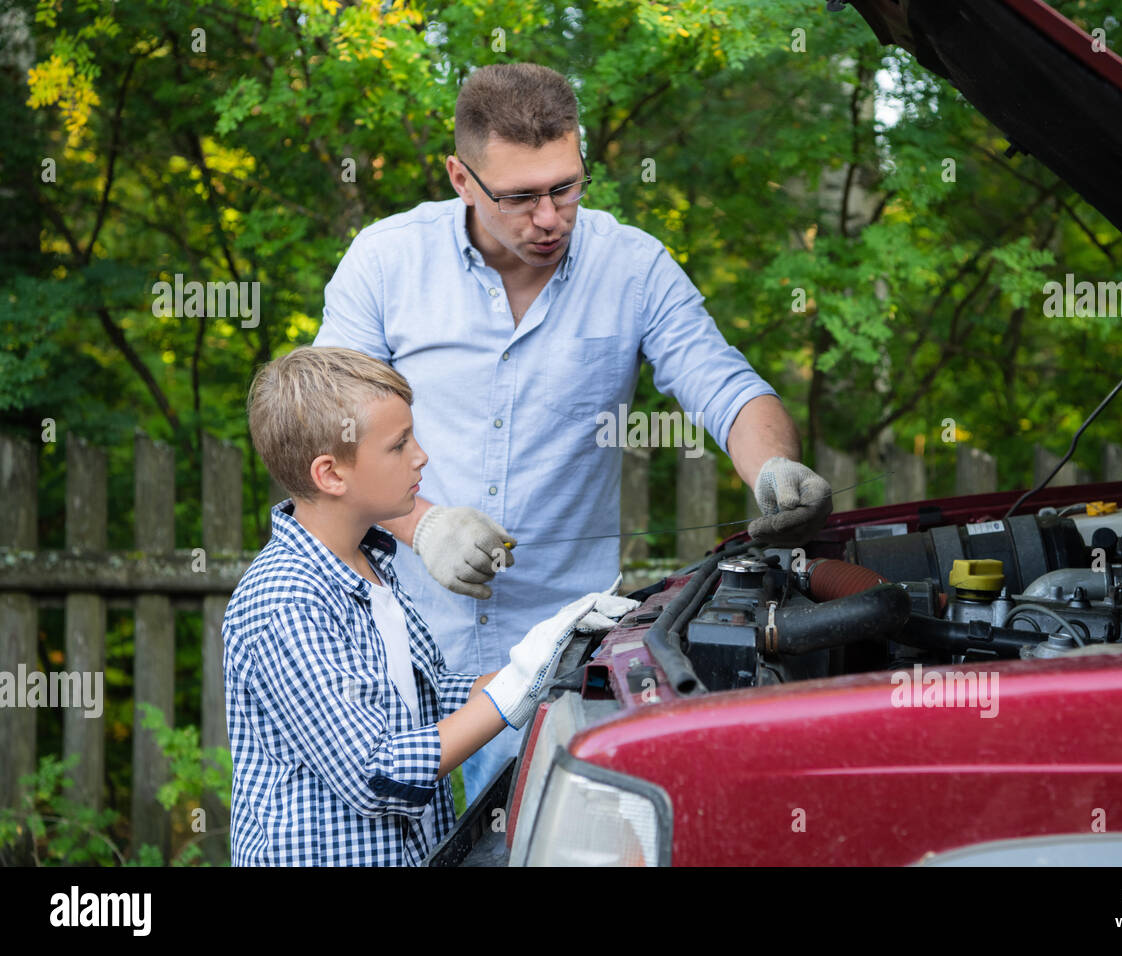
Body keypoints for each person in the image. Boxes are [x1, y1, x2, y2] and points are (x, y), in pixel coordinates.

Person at [313, 63, 833, 804]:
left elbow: (726, 388)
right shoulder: (386, 261)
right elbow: (328, 439)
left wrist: (775, 467)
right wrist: (423, 526)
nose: (550, 217)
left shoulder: (633, 267)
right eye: (521, 197)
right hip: (390, 650)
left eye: (566, 186)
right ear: (462, 178)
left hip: (554, 668)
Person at [223, 346, 633, 865]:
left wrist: (548, 654)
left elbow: (427, 697)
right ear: (331, 474)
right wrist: (512, 690)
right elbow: (378, 773)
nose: (421, 455)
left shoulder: (373, 566)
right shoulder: (285, 602)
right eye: (398, 446)